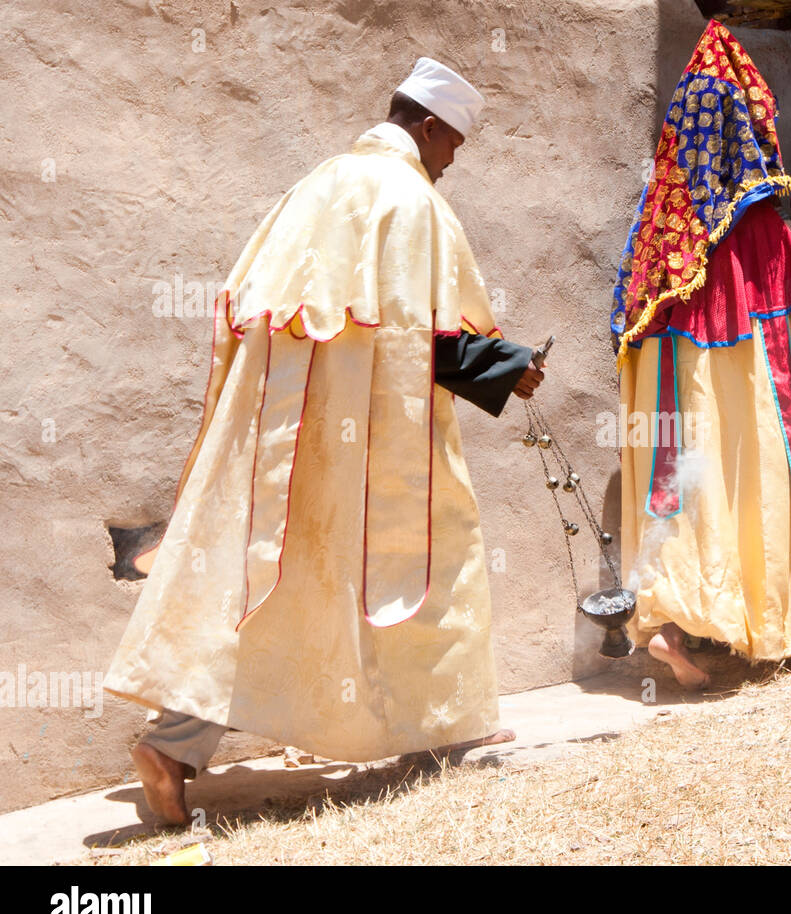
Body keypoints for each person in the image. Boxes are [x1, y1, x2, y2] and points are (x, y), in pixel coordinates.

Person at [106, 57, 545, 825]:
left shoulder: (316, 185)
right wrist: (511, 370)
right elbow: (430, 338)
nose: (451, 162)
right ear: (431, 126)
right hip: (375, 447)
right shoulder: (411, 200)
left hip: (281, 437)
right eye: (453, 147)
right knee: (427, 561)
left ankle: (173, 744)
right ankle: (448, 727)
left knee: (262, 582)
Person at [610, 21, 791, 689]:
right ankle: (770, 627)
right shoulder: (765, 229)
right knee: (754, 476)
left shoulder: (654, 227)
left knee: (683, 484)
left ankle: (665, 622)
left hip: (670, 386)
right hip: (746, 376)